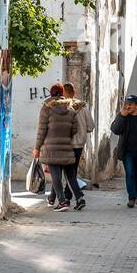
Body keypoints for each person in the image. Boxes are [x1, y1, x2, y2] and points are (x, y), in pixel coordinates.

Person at [33, 83, 82, 211]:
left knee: (55, 175)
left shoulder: (46, 108)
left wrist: (37, 148)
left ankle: (62, 201)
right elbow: (74, 129)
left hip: (50, 148)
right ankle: (55, 199)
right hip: (66, 147)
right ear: (62, 93)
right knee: (68, 174)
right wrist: (66, 136)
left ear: (51, 94)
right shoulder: (70, 109)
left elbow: (41, 130)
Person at [110, 94, 137, 208]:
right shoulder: (124, 117)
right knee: (129, 174)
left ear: (136, 105)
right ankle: (132, 197)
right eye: (126, 104)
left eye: (130, 104)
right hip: (127, 153)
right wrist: (121, 116)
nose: (128, 106)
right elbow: (115, 130)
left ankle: (136, 195)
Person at [61, 81, 93, 209]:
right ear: (74, 93)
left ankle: (79, 198)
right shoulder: (83, 107)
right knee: (72, 171)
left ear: (64, 93)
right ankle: (67, 197)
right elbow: (91, 126)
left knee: (69, 173)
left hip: (67, 144)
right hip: (79, 145)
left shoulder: (63, 108)